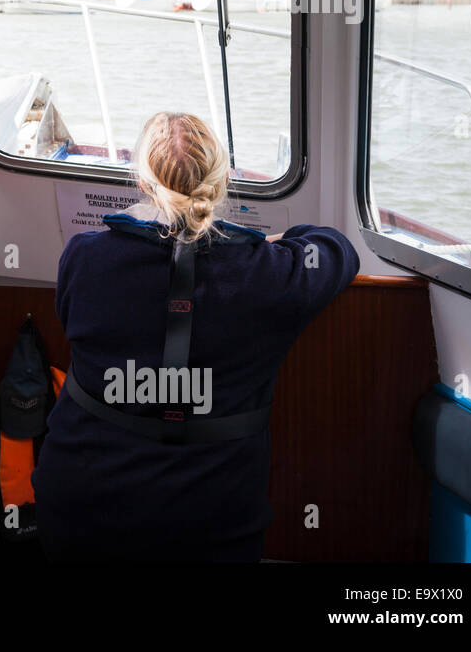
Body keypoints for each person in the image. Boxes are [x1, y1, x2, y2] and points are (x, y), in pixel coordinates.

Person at [32, 111, 358, 562]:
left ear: (144, 184)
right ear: (221, 182)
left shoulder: (85, 257)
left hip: (79, 505)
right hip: (212, 521)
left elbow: (70, 321)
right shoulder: (268, 275)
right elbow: (336, 249)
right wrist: (270, 244)